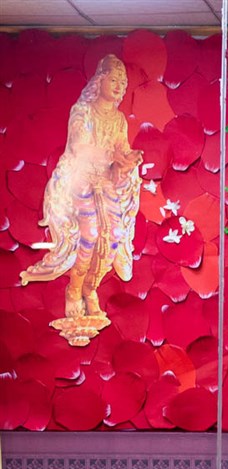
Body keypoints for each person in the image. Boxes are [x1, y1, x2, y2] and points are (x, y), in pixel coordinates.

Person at [21, 54, 143, 321]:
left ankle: (91, 288)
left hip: (107, 183)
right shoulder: (83, 111)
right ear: (99, 81)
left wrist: (129, 159)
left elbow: (121, 150)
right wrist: (113, 155)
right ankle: (74, 290)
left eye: (123, 82)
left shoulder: (119, 119)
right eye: (114, 79)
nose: (119, 86)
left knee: (114, 236)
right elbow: (79, 148)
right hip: (81, 181)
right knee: (90, 235)